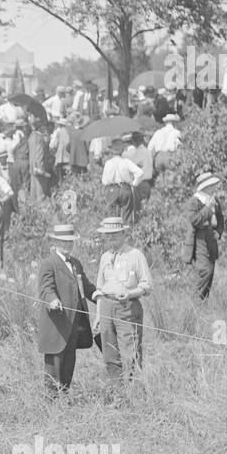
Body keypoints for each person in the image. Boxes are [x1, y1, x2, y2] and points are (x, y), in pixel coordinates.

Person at [35, 224, 97, 394]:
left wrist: (98, 295)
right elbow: (45, 288)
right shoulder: (49, 263)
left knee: (69, 361)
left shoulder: (76, 263)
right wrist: (52, 300)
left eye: (70, 241)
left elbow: (85, 286)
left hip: (74, 323)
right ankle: (51, 401)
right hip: (57, 323)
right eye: (63, 241)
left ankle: (64, 395)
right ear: (55, 242)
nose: (67, 244)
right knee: (54, 363)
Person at [93, 218, 153, 384]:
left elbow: (146, 285)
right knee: (109, 351)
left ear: (124, 234)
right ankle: (118, 392)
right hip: (106, 306)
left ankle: (133, 390)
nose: (111, 238)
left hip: (127, 306)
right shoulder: (105, 257)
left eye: (115, 234)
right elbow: (100, 287)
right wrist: (98, 315)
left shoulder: (135, 255)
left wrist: (130, 294)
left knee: (130, 351)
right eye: (108, 235)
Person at [187, 173, 226, 300]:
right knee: (205, 272)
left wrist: (219, 232)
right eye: (212, 185)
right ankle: (195, 303)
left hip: (211, 240)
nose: (214, 187)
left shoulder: (214, 200)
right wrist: (207, 209)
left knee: (210, 274)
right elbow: (194, 220)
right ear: (206, 186)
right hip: (200, 240)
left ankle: (203, 305)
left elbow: (220, 219)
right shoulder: (195, 201)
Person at [101, 140, 145, 224]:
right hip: (125, 189)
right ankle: (126, 233)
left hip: (112, 189)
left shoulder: (108, 163)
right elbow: (140, 173)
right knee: (126, 215)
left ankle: (114, 235)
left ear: (112, 151)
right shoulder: (126, 161)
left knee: (112, 217)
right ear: (122, 151)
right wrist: (134, 184)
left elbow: (104, 181)